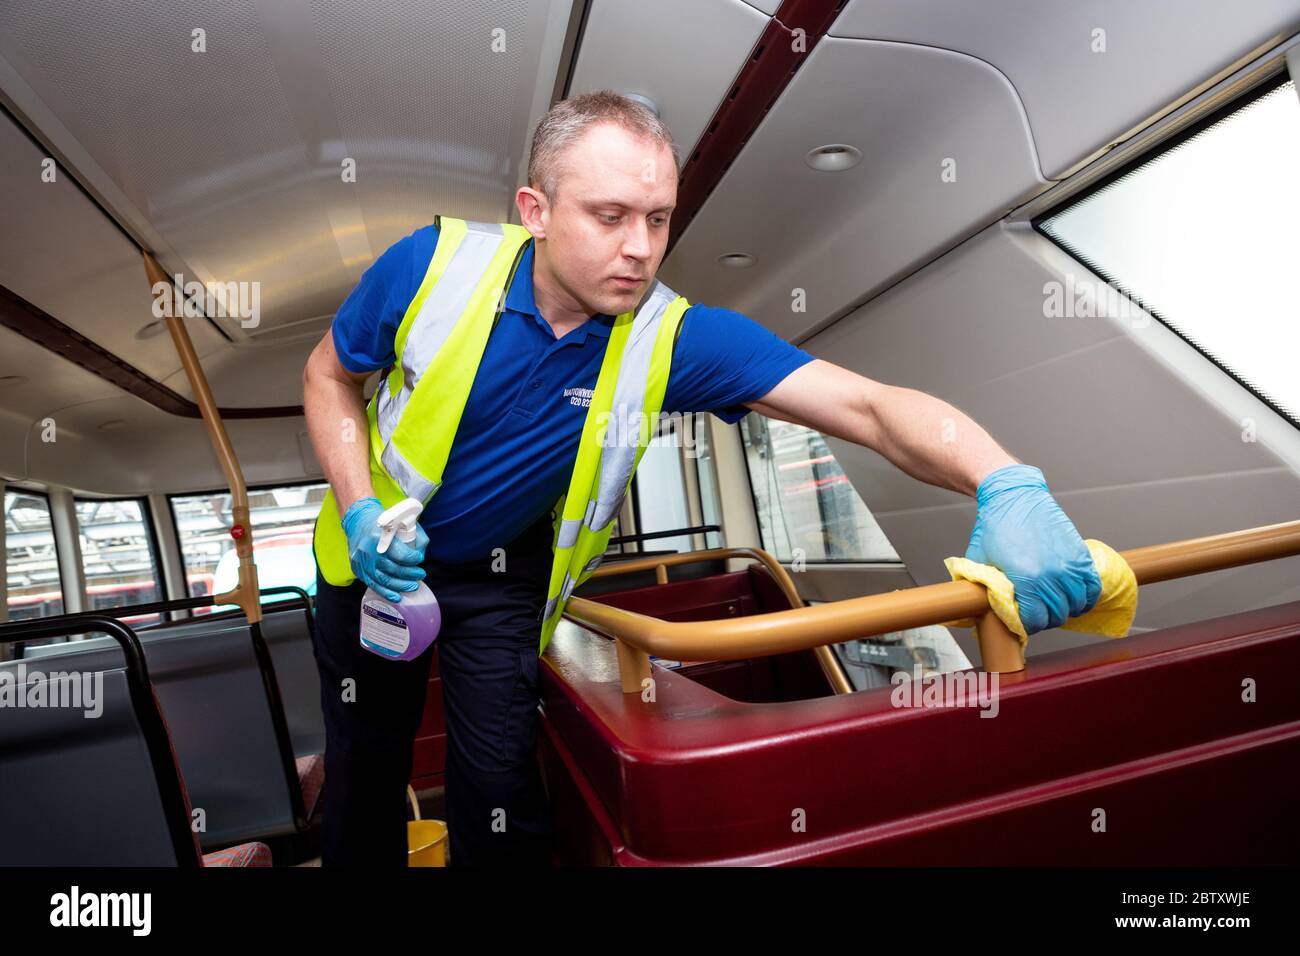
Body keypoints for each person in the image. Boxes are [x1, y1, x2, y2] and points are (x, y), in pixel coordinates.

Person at [301, 89, 1100, 867]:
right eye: (609, 217)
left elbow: (864, 406)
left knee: (501, 787)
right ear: (535, 211)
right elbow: (328, 377)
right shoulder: (429, 268)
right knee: (366, 767)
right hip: (371, 560)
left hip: (504, 578)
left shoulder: (672, 339)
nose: (641, 248)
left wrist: (1001, 476)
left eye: (658, 220)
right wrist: (362, 509)